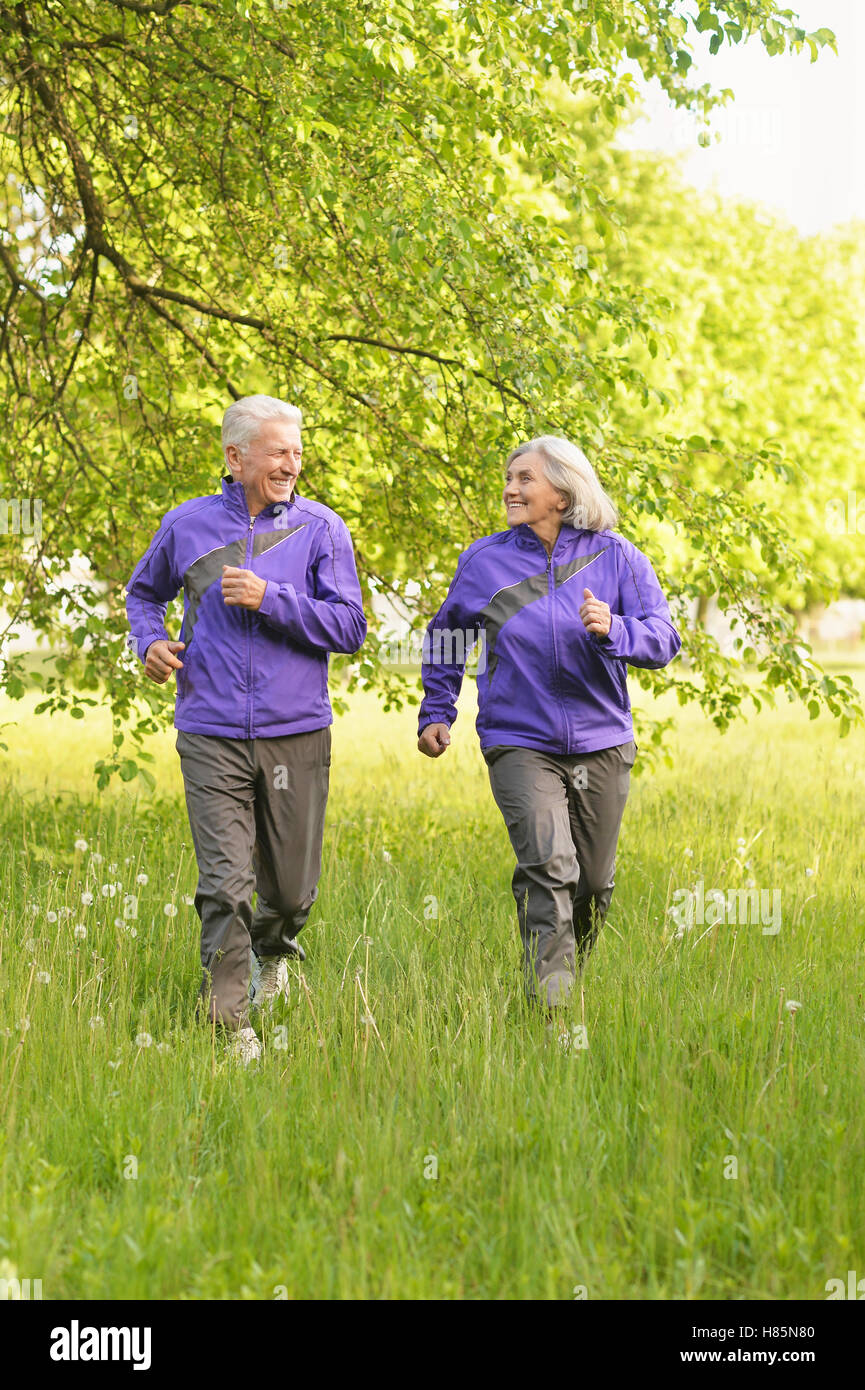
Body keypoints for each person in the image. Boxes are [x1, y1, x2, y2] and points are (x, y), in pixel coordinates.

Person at [125, 395, 366, 1063]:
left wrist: (272, 599)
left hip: (296, 730)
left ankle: (275, 948)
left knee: (288, 889)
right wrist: (149, 642)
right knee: (225, 883)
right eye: (278, 451)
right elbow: (144, 594)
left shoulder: (321, 529)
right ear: (235, 459)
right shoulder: (187, 526)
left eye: (296, 450)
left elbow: (350, 628)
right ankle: (232, 1024)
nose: (292, 463)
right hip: (210, 729)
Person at [417, 435, 681, 1012]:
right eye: (509, 479)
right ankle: (553, 1010)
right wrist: (438, 710)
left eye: (524, 479)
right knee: (548, 866)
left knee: (591, 884)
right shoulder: (485, 561)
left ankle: (563, 971)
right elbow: (448, 637)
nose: (511, 489)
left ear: (563, 492)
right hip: (519, 739)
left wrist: (615, 628)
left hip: (602, 741)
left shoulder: (617, 557)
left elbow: (664, 640)